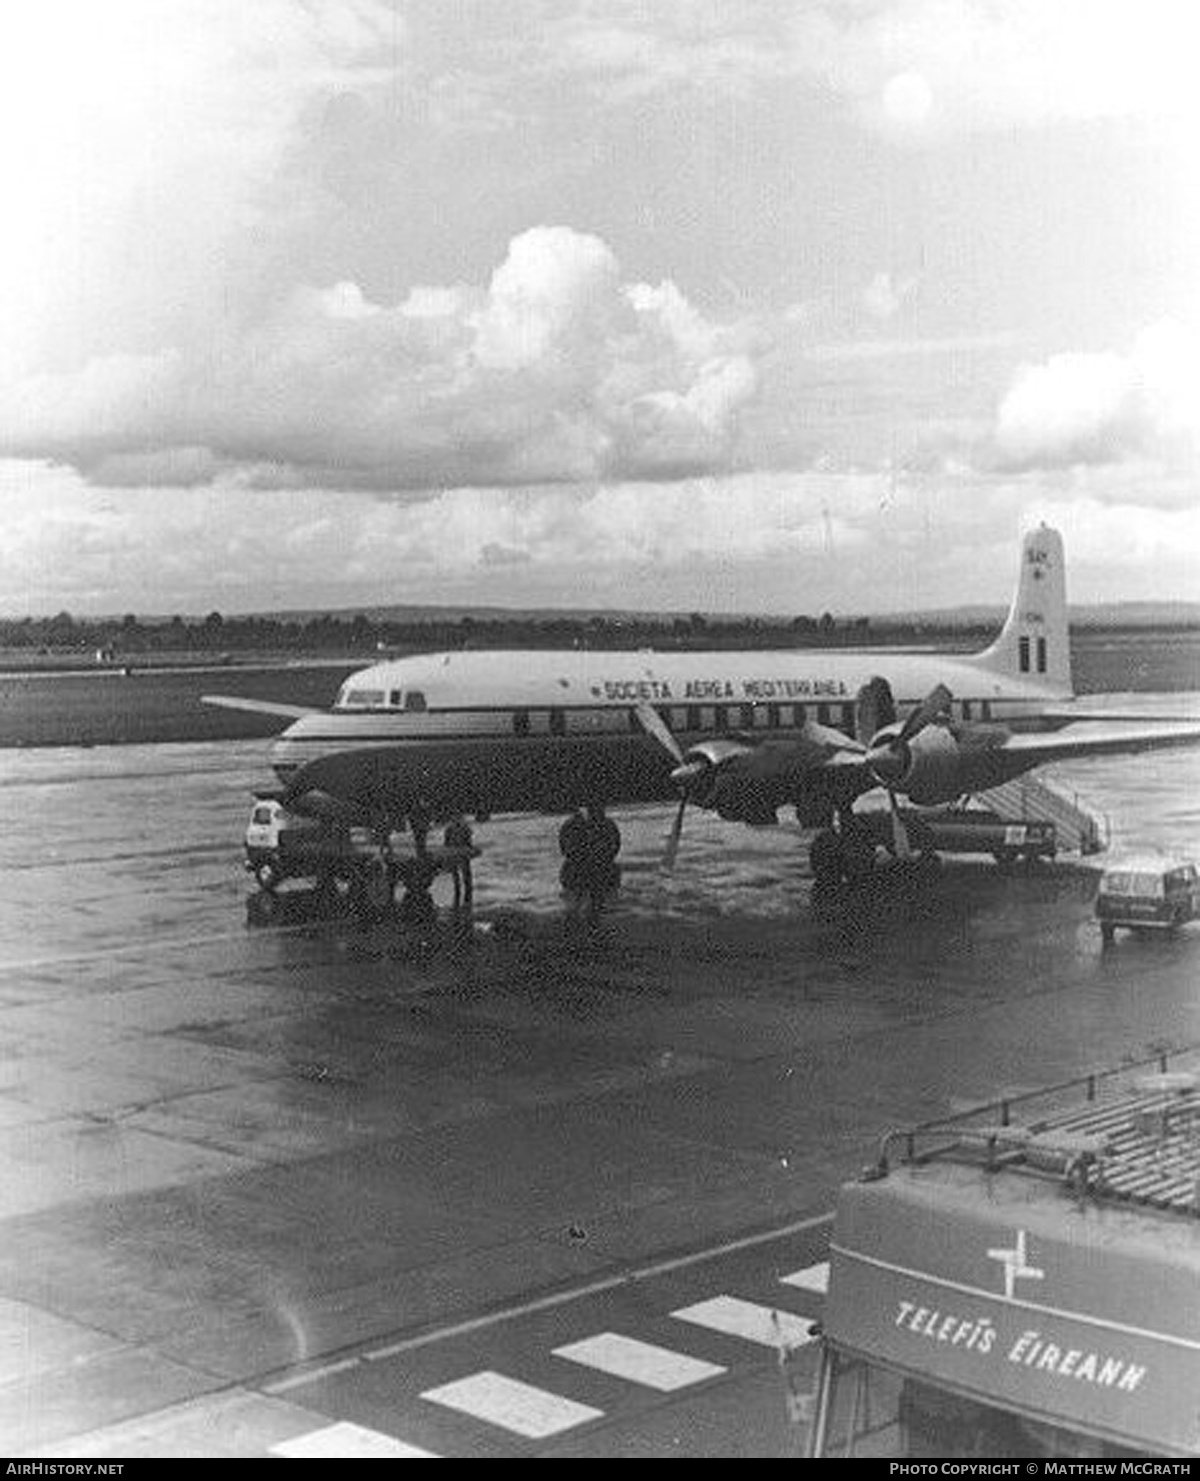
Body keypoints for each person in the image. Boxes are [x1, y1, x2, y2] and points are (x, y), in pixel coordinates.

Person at [443, 814, 474, 907]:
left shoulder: (450, 827)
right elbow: (469, 841)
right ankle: (466, 893)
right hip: (460, 853)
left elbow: (446, 842)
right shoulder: (464, 826)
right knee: (465, 873)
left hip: (456, 852)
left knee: (459, 873)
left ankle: (460, 891)